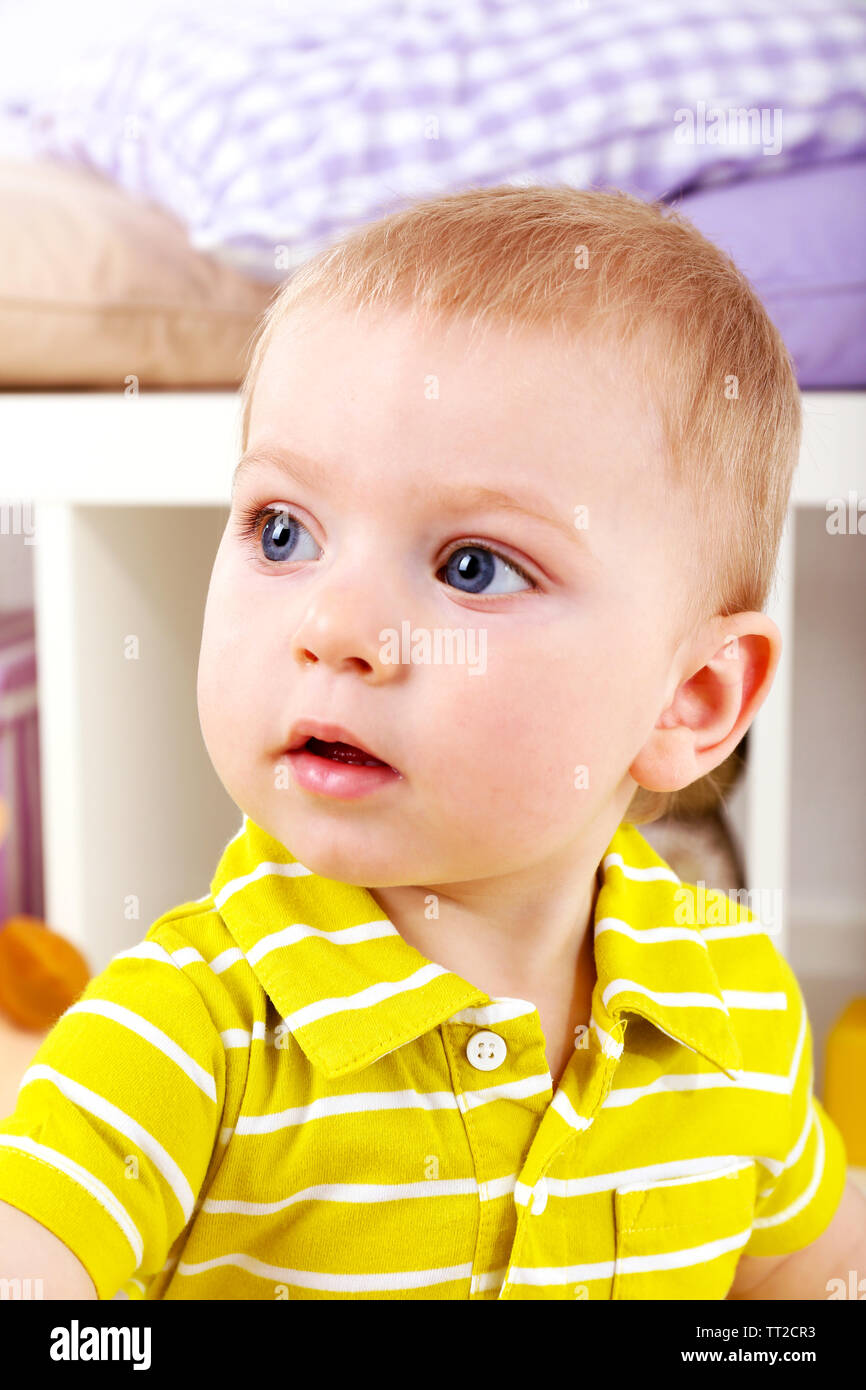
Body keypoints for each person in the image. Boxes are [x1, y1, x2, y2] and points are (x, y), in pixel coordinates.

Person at [1, 184, 863, 1300]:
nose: (334, 629)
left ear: (688, 697)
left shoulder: (726, 1000)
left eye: (471, 566)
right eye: (281, 531)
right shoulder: (188, 1025)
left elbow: (810, 1265)